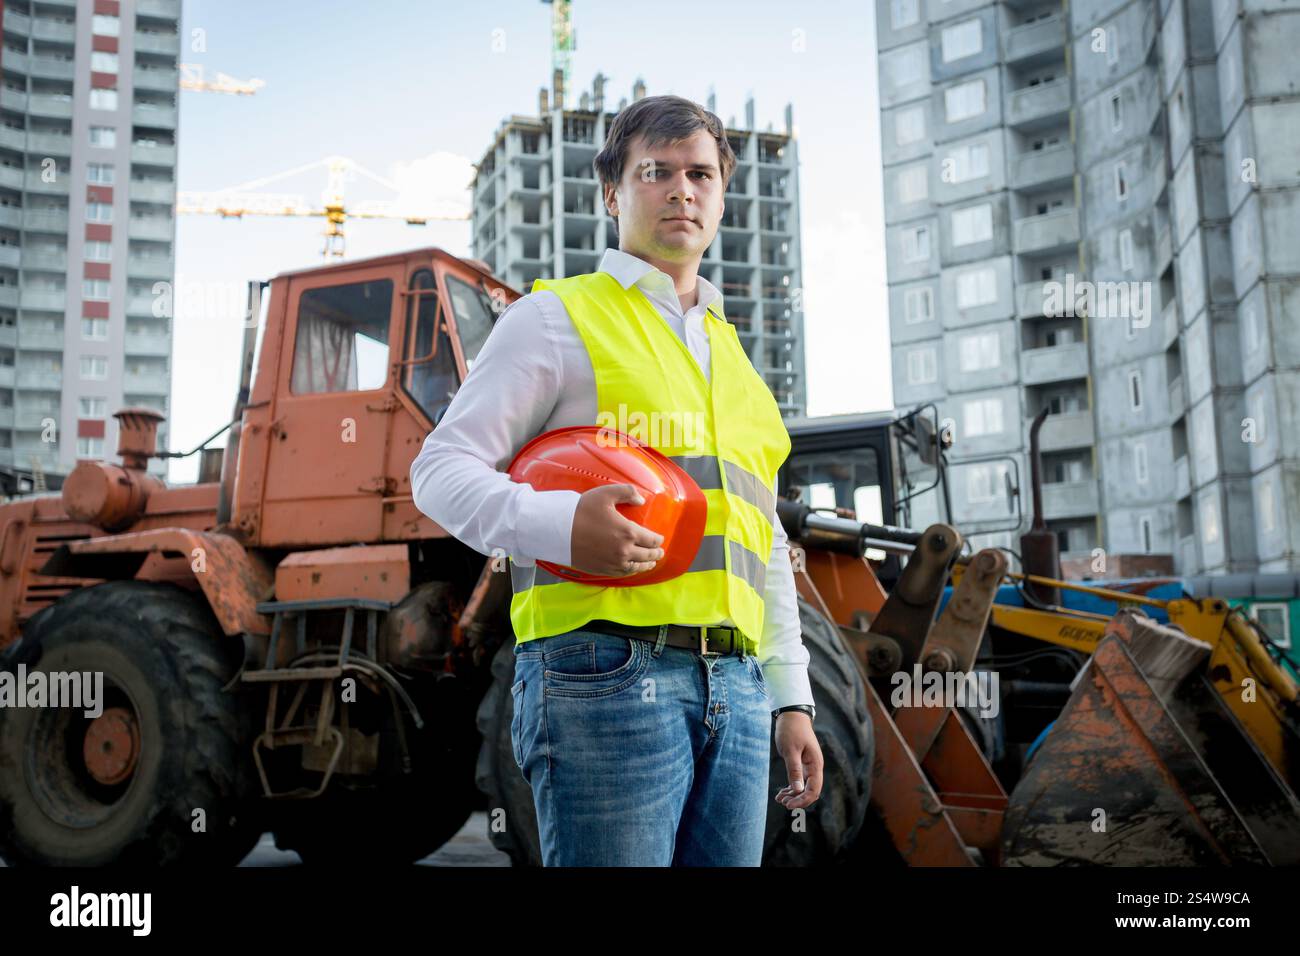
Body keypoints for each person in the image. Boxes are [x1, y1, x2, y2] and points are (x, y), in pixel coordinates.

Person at [410, 94, 821, 866]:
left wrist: (790, 695)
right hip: (602, 674)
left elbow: (760, 547)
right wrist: (563, 529)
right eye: (655, 171)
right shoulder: (554, 318)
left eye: (700, 173)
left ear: (722, 195)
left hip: (736, 690)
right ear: (612, 193)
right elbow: (439, 472)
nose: (681, 189)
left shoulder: (738, 364)